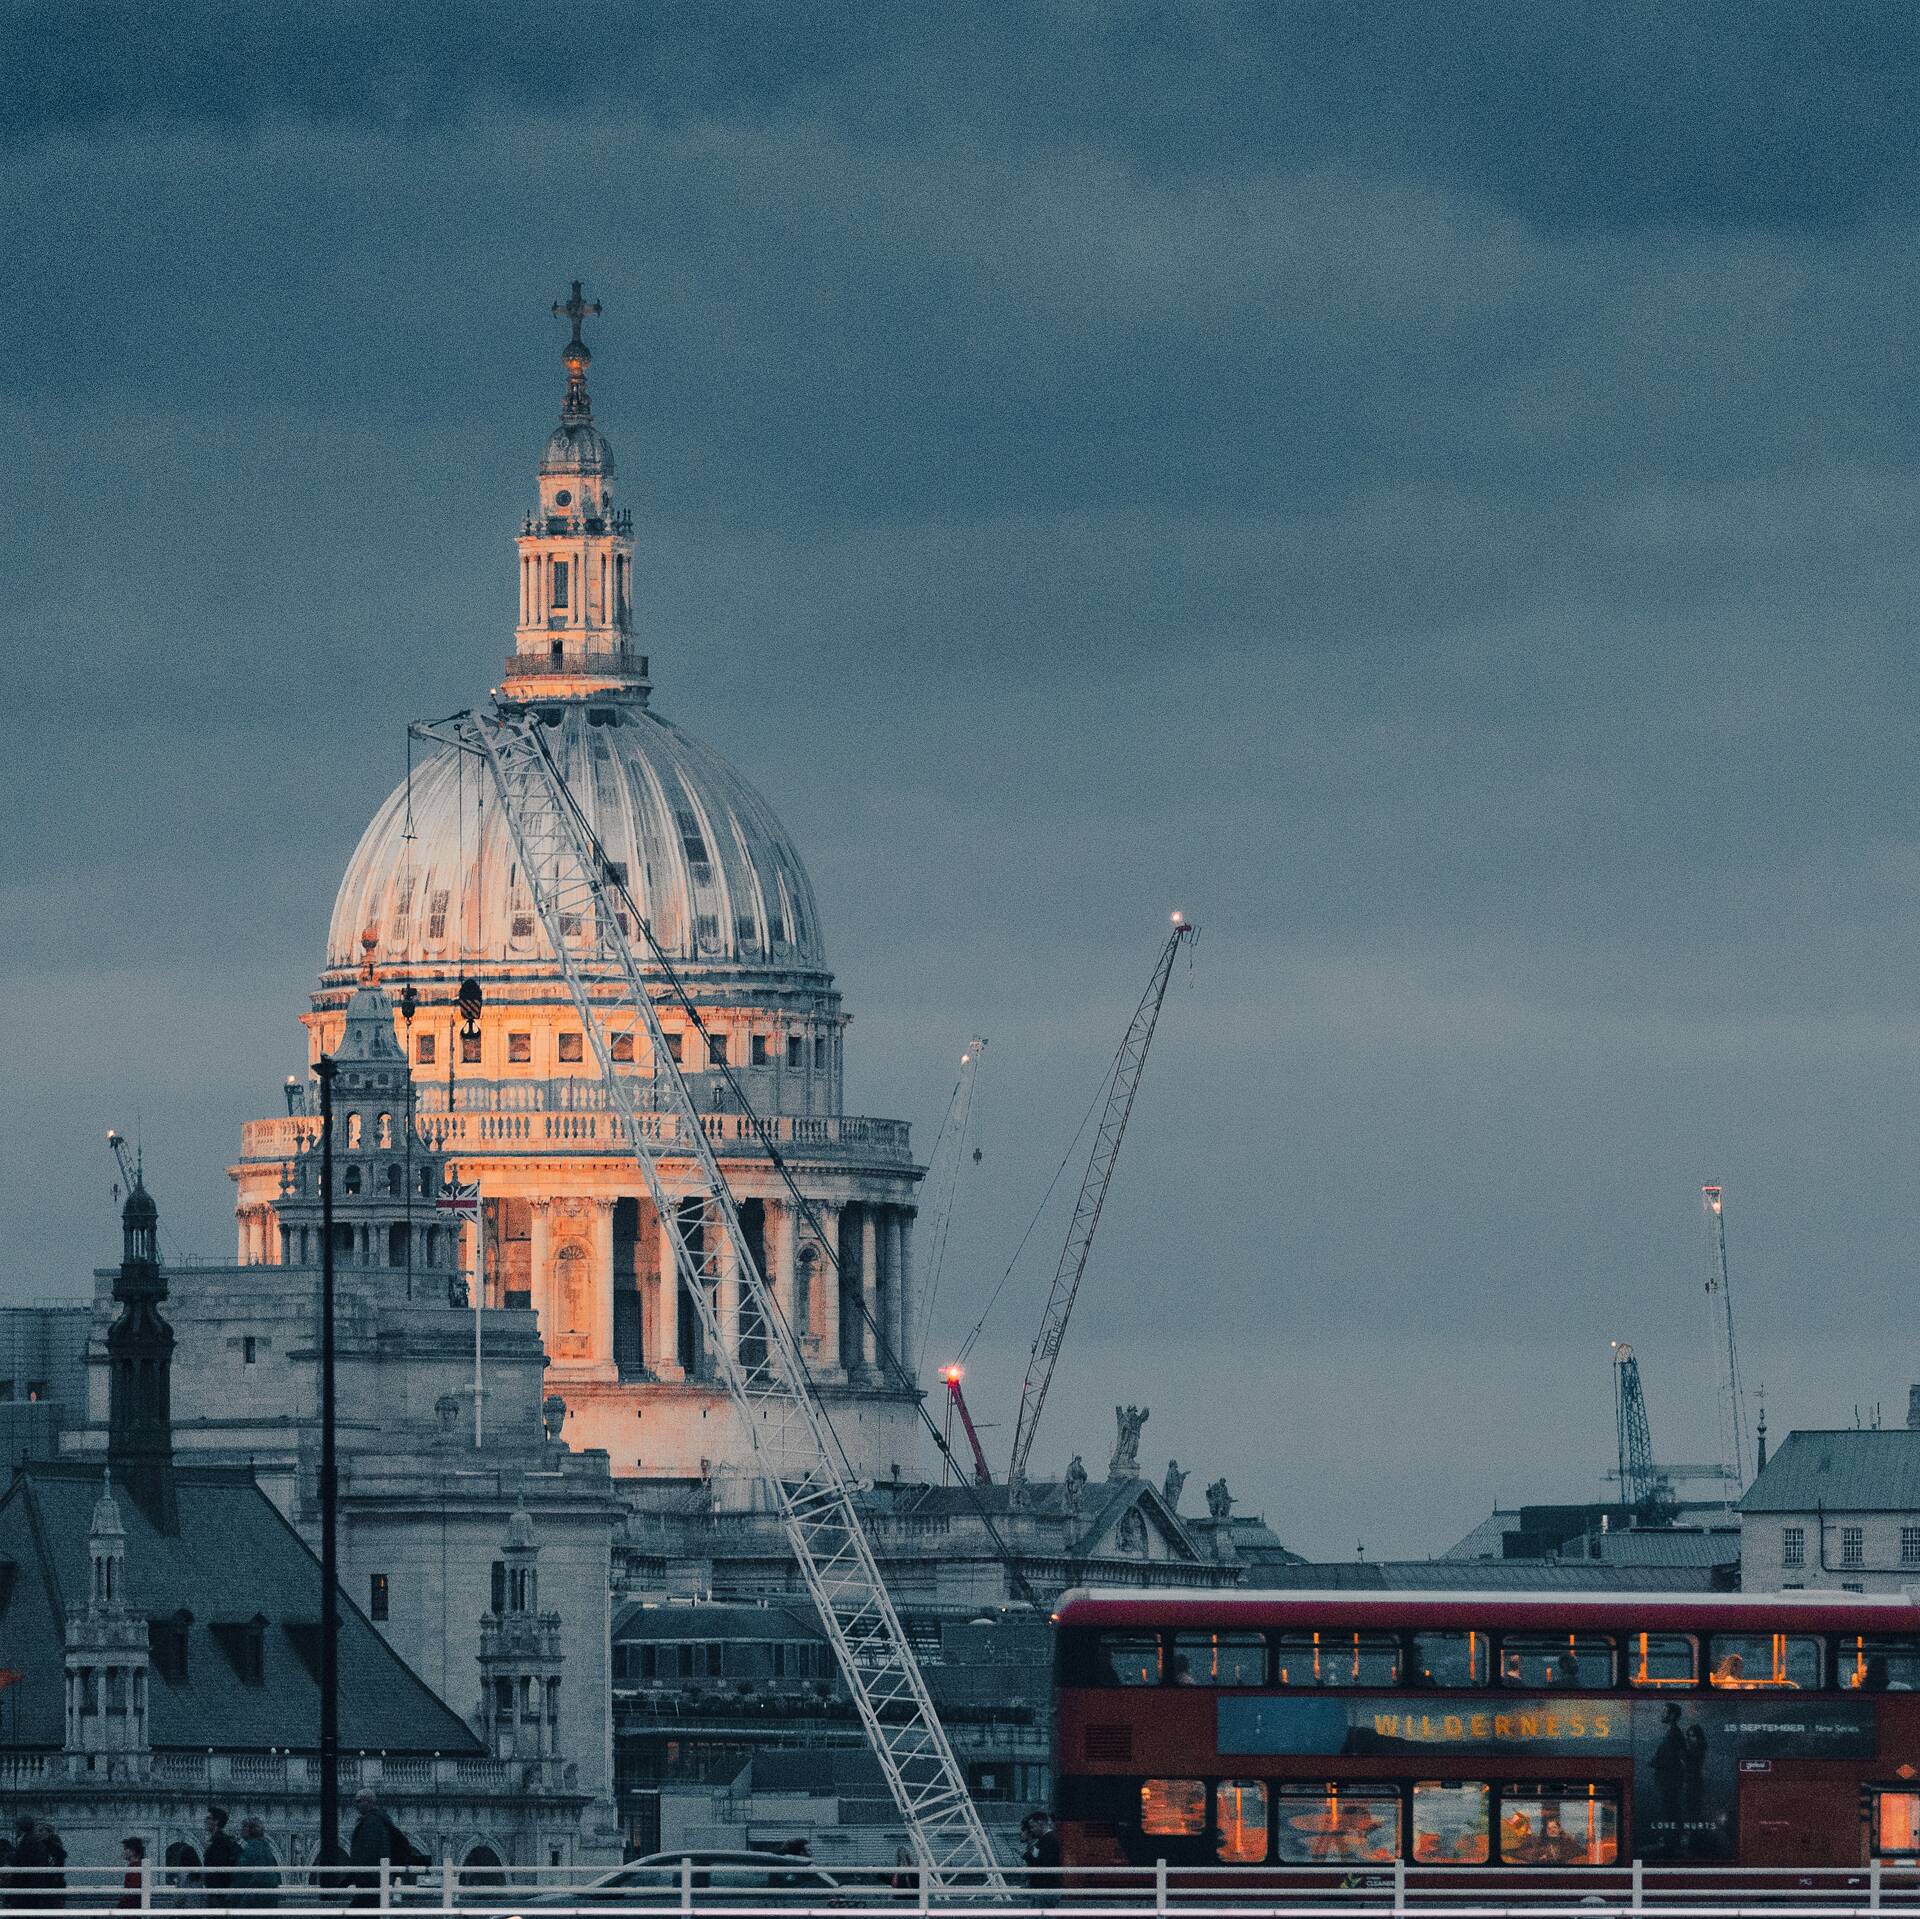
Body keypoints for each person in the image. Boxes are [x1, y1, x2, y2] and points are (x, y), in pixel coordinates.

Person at [347, 1790, 417, 1907]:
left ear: (368, 1802)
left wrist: (357, 1873)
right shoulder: (379, 1819)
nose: (356, 1804)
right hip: (375, 1877)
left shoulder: (372, 1822)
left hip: (369, 1877)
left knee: (360, 1909)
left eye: (359, 1801)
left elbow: (369, 1851)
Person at [203, 1809, 242, 1909]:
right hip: (222, 1891)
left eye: (209, 1818)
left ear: (216, 1821)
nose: (206, 1821)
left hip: (218, 1893)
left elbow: (218, 1867)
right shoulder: (223, 1840)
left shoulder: (218, 1842)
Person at [8, 1817, 49, 1912]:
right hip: (34, 1883)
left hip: (26, 1884)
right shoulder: (35, 1841)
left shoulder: (27, 1842)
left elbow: (22, 1862)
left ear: (21, 1827)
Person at [235, 1821, 280, 1904]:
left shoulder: (253, 1847)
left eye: (244, 1827)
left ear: (249, 1831)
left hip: (258, 1894)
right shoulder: (265, 1846)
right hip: (269, 1891)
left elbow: (253, 1874)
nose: (241, 1830)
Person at [117, 1839, 146, 1911]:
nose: (123, 1852)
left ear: (133, 1851)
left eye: (125, 1849)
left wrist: (121, 1906)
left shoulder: (135, 1868)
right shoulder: (137, 1866)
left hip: (131, 1907)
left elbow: (132, 1892)